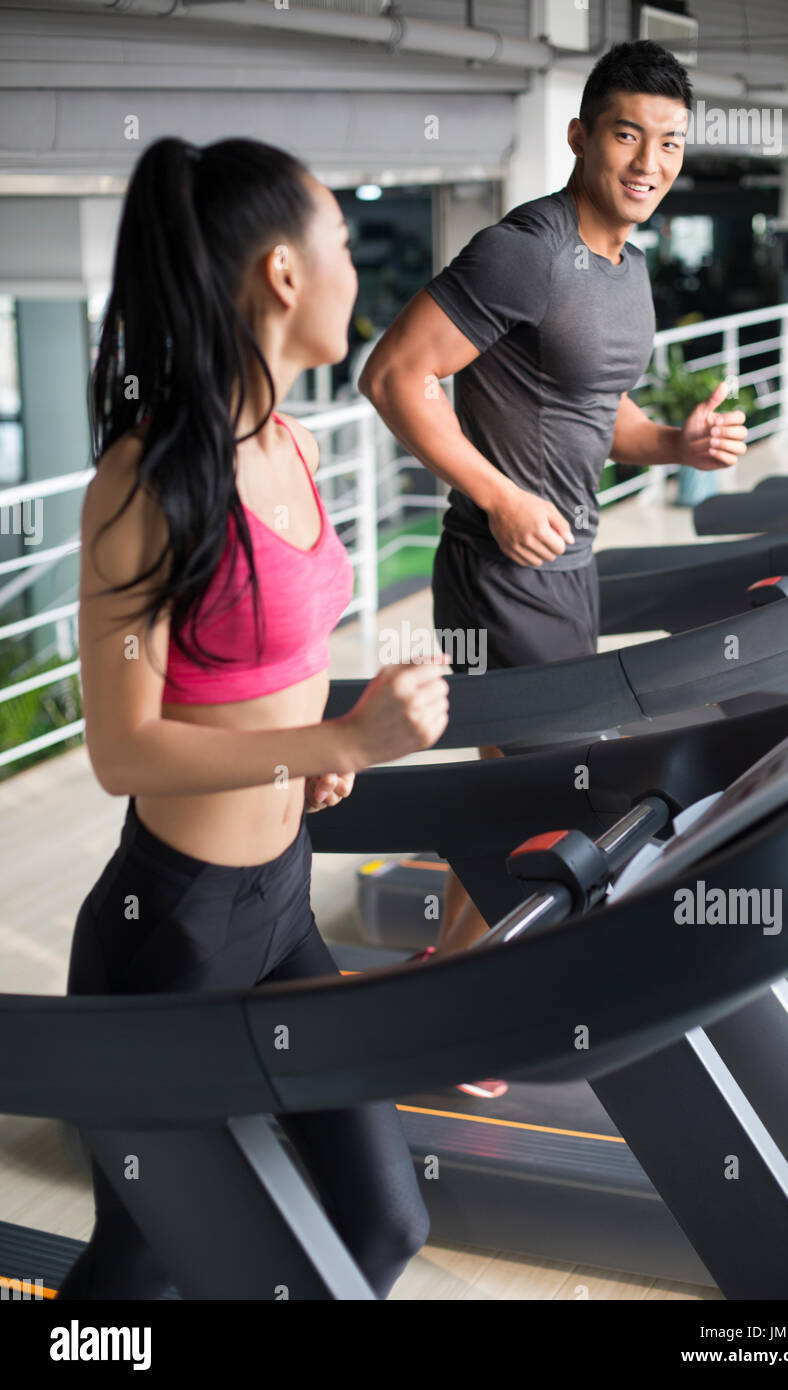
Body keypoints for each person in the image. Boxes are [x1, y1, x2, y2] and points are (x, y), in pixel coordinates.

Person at [55, 136, 450, 1301]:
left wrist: (313, 761)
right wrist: (338, 743)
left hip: (277, 904)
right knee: (137, 1262)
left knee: (382, 1219)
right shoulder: (146, 485)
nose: (354, 271)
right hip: (166, 934)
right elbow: (120, 750)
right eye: (339, 243)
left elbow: (264, 668)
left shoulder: (294, 443)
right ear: (283, 274)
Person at [360, 40, 748, 973]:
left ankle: (438, 978)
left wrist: (675, 444)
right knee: (559, 793)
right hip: (501, 572)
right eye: (626, 135)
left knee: (519, 788)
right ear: (580, 136)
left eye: (670, 142)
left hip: (569, 568)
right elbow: (395, 374)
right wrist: (496, 494)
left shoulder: (628, 270)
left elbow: (595, 407)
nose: (648, 163)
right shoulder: (523, 253)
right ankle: (465, 988)